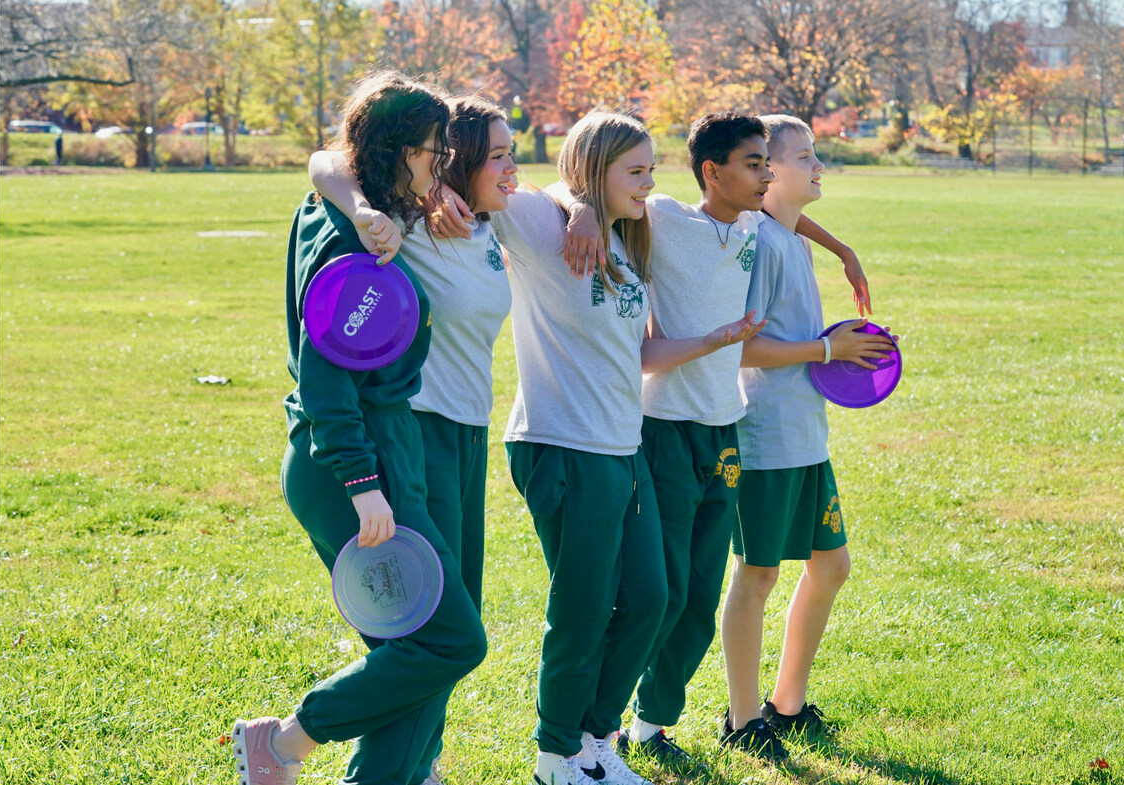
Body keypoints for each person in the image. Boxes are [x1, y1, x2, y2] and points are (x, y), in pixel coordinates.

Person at [542, 112, 872, 774]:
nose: (768, 175)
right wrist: (578, 207)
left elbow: (785, 218)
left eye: (767, 164)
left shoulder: (753, 226)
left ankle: (650, 725)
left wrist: (842, 250)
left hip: (726, 428)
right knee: (655, 596)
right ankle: (590, 736)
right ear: (712, 172)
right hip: (664, 430)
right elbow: (589, 193)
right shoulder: (665, 217)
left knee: (694, 600)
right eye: (755, 164)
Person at [440, 108, 760, 785]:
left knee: (653, 596)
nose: (649, 184)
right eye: (635, 171)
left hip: (624, 444)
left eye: (651, 170)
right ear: (594, 170)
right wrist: (578, 204)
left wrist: (716, 339)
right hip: (561, 444)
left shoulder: (623, 242)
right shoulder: (545, 225)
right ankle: (557, 753)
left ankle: (595, 737)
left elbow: (637, 349)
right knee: (584, 607)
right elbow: (500, 192)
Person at [230, 71, 488, 785]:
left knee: (414, 641)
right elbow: (326, 377)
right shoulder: (356, 240)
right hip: (354, 458)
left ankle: (397, 770)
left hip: (375, 449)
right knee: (446, 637)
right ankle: (280, 743)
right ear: (400, 148)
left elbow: (329, 163)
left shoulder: (342, 204)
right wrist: (363, 482)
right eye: (435, 152)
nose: (440, 167)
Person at [306, 94, 519, 785]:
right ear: (424, 155)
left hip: (464, 435)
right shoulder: (395, 224)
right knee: (436, 633)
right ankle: (289, 744)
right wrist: (368, 211)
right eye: (497, 153)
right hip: (411, 435)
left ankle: (416, 766)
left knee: (448, 626)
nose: (512, 165)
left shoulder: (481, 224)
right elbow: (328, 163)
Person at [718, 115, 895, 762]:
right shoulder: (758, 244)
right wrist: (826, 348)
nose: (819, 166)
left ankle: (786, 703)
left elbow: (789, 224)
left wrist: (843, 249)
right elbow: (739, 348)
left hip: (806, 435)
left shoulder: (789, 236)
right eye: (805, 156)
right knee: (757, 574)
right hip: (763, 436)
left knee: (832, 565)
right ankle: (741, 718)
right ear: (768, 172)